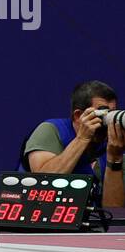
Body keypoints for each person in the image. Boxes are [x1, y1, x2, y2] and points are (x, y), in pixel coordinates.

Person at [21, 81, 125, 209]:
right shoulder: (51, 130)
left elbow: (115, 212)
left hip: (93, 224)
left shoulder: (114, 146)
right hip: (44, 219)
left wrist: (115, 159)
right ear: (78, 116)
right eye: (103, 113)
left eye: (112, 113)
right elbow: (43, 183)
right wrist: (82, 138)